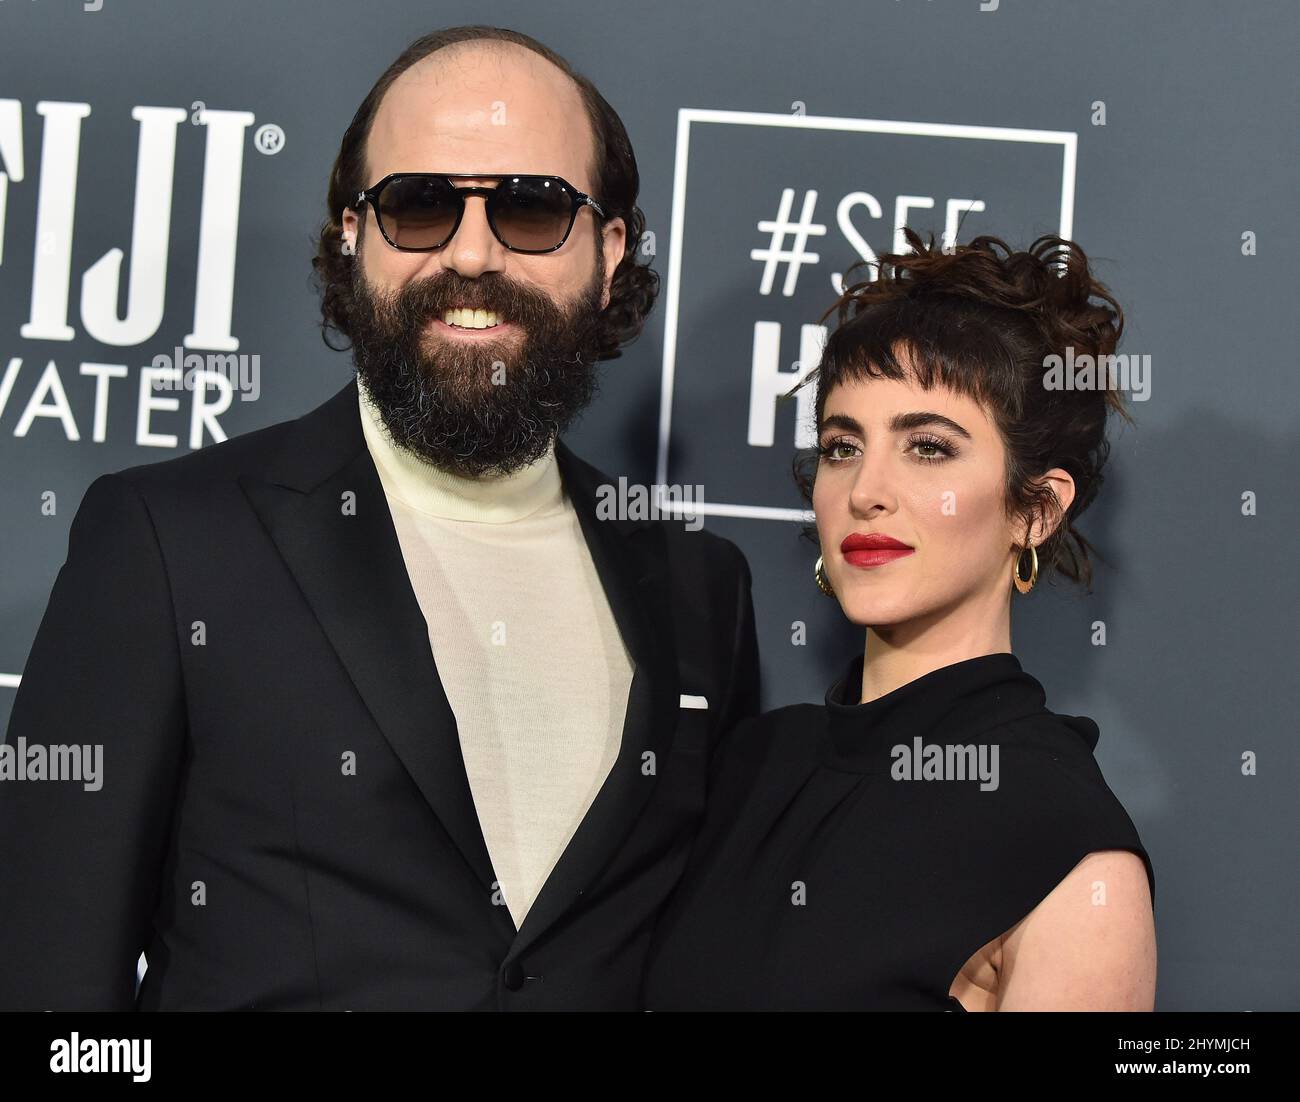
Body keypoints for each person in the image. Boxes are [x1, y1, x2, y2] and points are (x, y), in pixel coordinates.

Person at [0, 26, 759, 1010]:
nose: (473, 255)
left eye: (531, 209)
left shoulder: (703, 588)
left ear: (609, 253)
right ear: (351, 234)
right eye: (419, 206)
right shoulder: (169, 539)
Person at [642, 229, 1156, 1011]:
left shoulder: (1063, 846)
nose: (866, 489)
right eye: (843, 446)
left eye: (928, 447)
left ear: (1036, 509)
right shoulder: (751, 764)